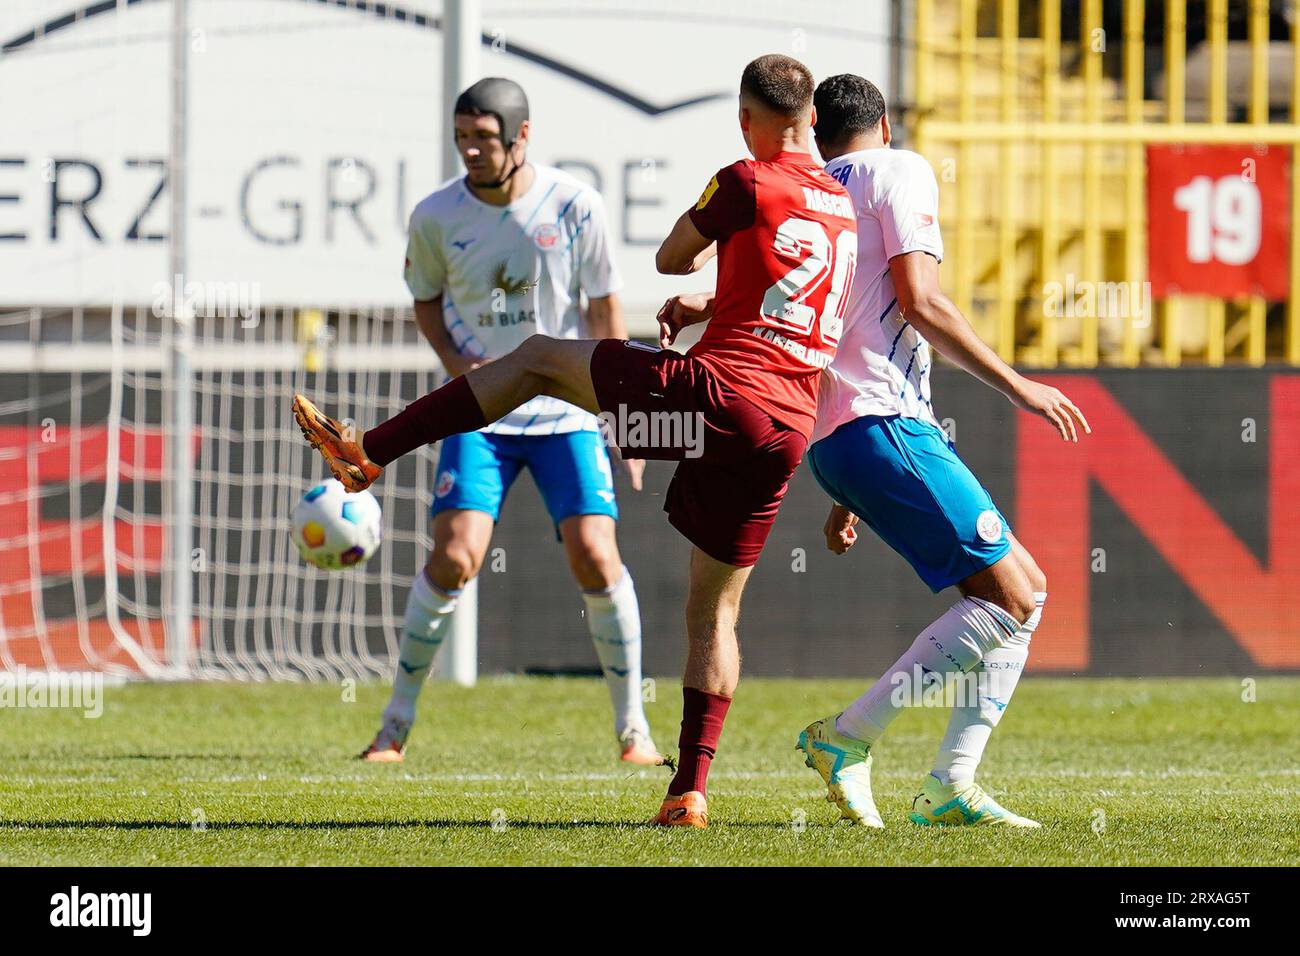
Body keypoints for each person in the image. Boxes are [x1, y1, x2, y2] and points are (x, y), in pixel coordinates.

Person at [293, 55, 856, 828]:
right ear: (815, 121)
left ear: (744, 117)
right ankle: (687, 788)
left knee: (534, 359)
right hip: (787, 429)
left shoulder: (745, 178)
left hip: (716, 396)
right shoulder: (843, 207)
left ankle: (368, 452)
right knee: (717, 616)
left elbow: (669, 256)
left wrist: (698, 279)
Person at [794, 73, 1087, 826]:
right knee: (1015, 598)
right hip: (884, 424)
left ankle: (951, 784)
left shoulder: (807, 194)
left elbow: (833, 330)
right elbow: (920, 302)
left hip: (837, 439)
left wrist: (839, 491)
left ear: (816, 131)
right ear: (883, 125)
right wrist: (1019, 384)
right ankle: (848, 737)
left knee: (1020, 595)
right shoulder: (900, 169)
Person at [358, 77, 659, 767]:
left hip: (568, 411)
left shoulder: (576, 207)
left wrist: (626, 415)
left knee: (596, 555)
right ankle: (394, 725)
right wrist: (458, 366)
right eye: (462, 137)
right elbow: (427, 302)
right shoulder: (436, 215)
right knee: (456, 555)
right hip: (481, 413)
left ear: (523, 137)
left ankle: (633, 730)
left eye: (484, 139)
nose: (470, 151)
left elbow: (605, 311)